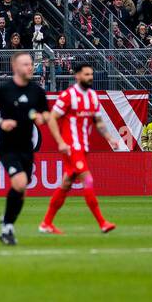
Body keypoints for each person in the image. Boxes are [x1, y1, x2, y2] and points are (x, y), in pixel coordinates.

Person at [39, 60, 119, 235]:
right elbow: (52, 118)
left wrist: (110, 138)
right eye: (86, 74)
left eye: (91, 74)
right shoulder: (68, 95)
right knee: (88, 180)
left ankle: (46, 223)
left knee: (66, 184)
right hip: (71, 147)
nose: (90, 77)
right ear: (77, 76)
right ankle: (102, 222)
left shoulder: (92, 96)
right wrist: (60, 142)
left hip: (83, 147)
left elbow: (98, 122)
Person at [0, 51, 50, 246]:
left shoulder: (37, 91)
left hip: (26, 145)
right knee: (19, 183)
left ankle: (6, 220)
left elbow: (47, 115)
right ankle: (8, 228)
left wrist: (41, 118)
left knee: (22, 190)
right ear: (15, 67)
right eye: (26, 64)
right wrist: (0, 121)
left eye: (31, 64)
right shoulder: (3, 90)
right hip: (7, 145)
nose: (30, 67)